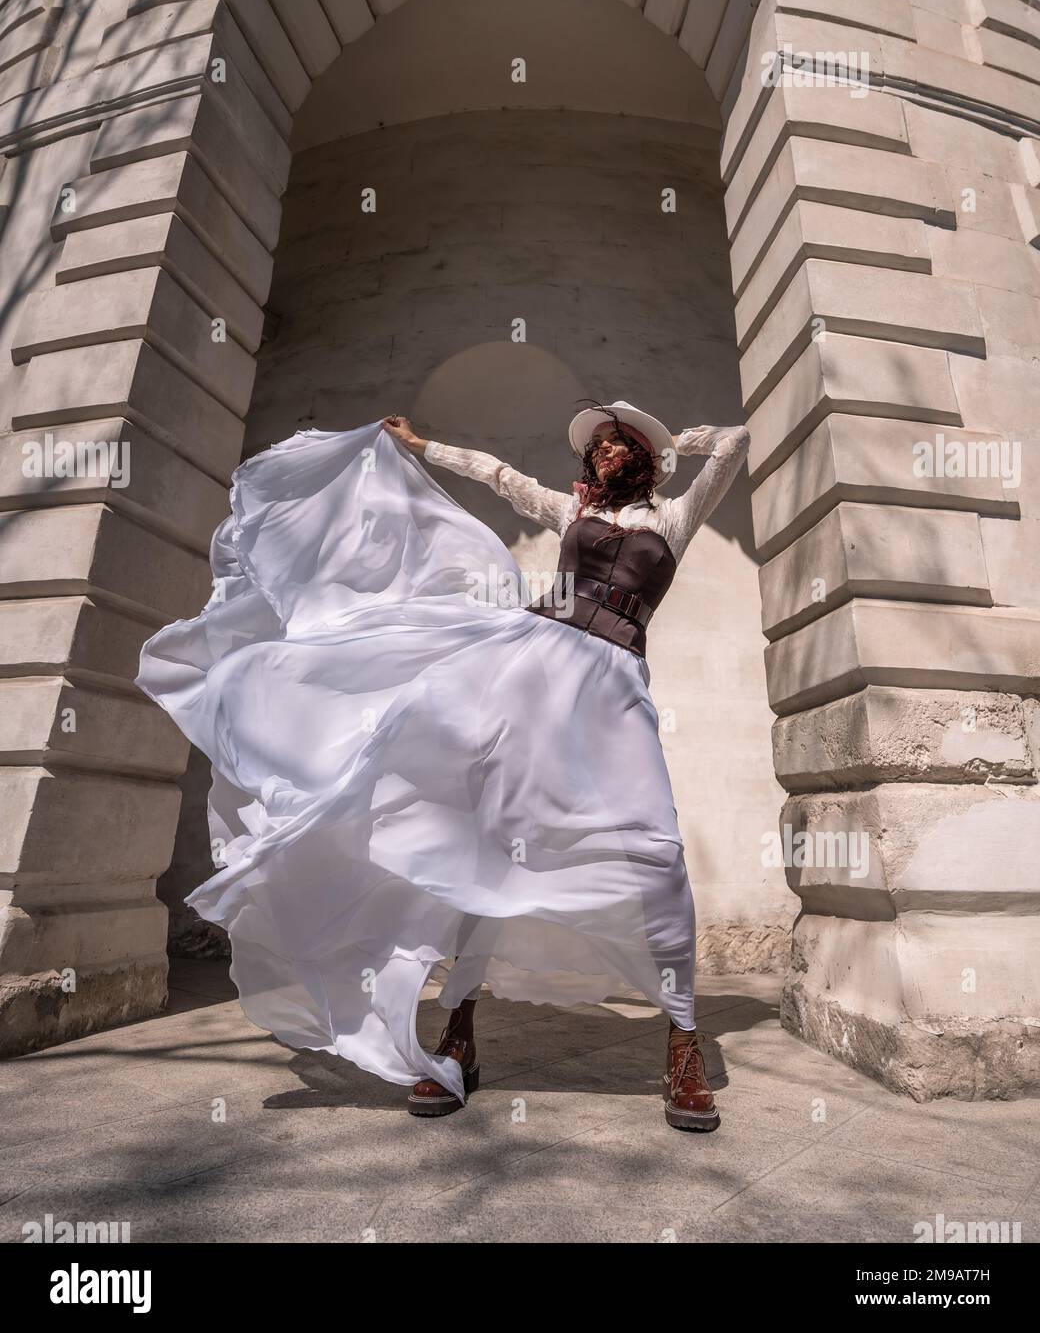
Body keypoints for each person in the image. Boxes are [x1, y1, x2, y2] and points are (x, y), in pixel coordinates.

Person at [136, 401, 750, 1134]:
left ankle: (683, 1041)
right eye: (602, 445)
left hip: (615, 689)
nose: (609, 452)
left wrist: (691, 439)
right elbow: (500, 477)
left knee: (658, 853)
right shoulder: (571, 509)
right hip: (532, 671)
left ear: (645, 457)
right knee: (483, 841)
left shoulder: (674, 520)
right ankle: (458, 1031)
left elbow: (737, 445)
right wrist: (424, 445)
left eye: (623, 444)